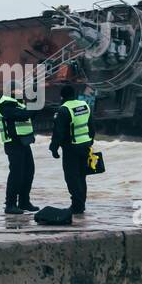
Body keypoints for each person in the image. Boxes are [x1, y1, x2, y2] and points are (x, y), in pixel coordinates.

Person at [50, 84, 94, 215]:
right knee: (82, 176)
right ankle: (81, 204)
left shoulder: (63, 110)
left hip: (71, 148)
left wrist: (54, 148)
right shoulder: (85, 105)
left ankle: (77, 206)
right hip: (85, 145)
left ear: (62, 96)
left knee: (72, 177)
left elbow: (58, 132)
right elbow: (91, 125)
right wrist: (91, 141)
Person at [0, 83, 38, 214]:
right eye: (17, 90)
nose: (20, 92)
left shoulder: (17, 103)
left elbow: (29, 115)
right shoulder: (5, 104)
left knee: (29, 171)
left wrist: (35, 99)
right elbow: (23, 115)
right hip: (13, 143)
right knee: (16, 173)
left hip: (24, 142)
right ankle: (10, 204)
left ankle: (24, 202)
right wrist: (35, 103)